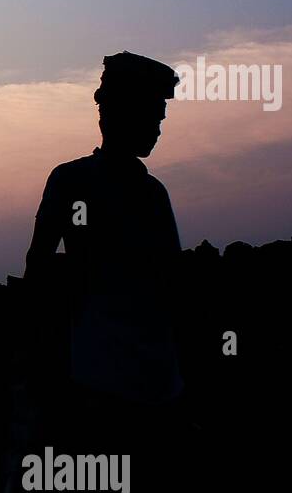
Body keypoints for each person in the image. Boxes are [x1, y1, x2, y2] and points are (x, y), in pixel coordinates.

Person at [24, 51, 183, 407]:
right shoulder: (143, 192)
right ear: (118, 114)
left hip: (116, 372)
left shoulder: (75, 179)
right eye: (151, 117)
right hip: (117, 374)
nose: (157, 129)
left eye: (160, 119)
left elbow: (38, 268)